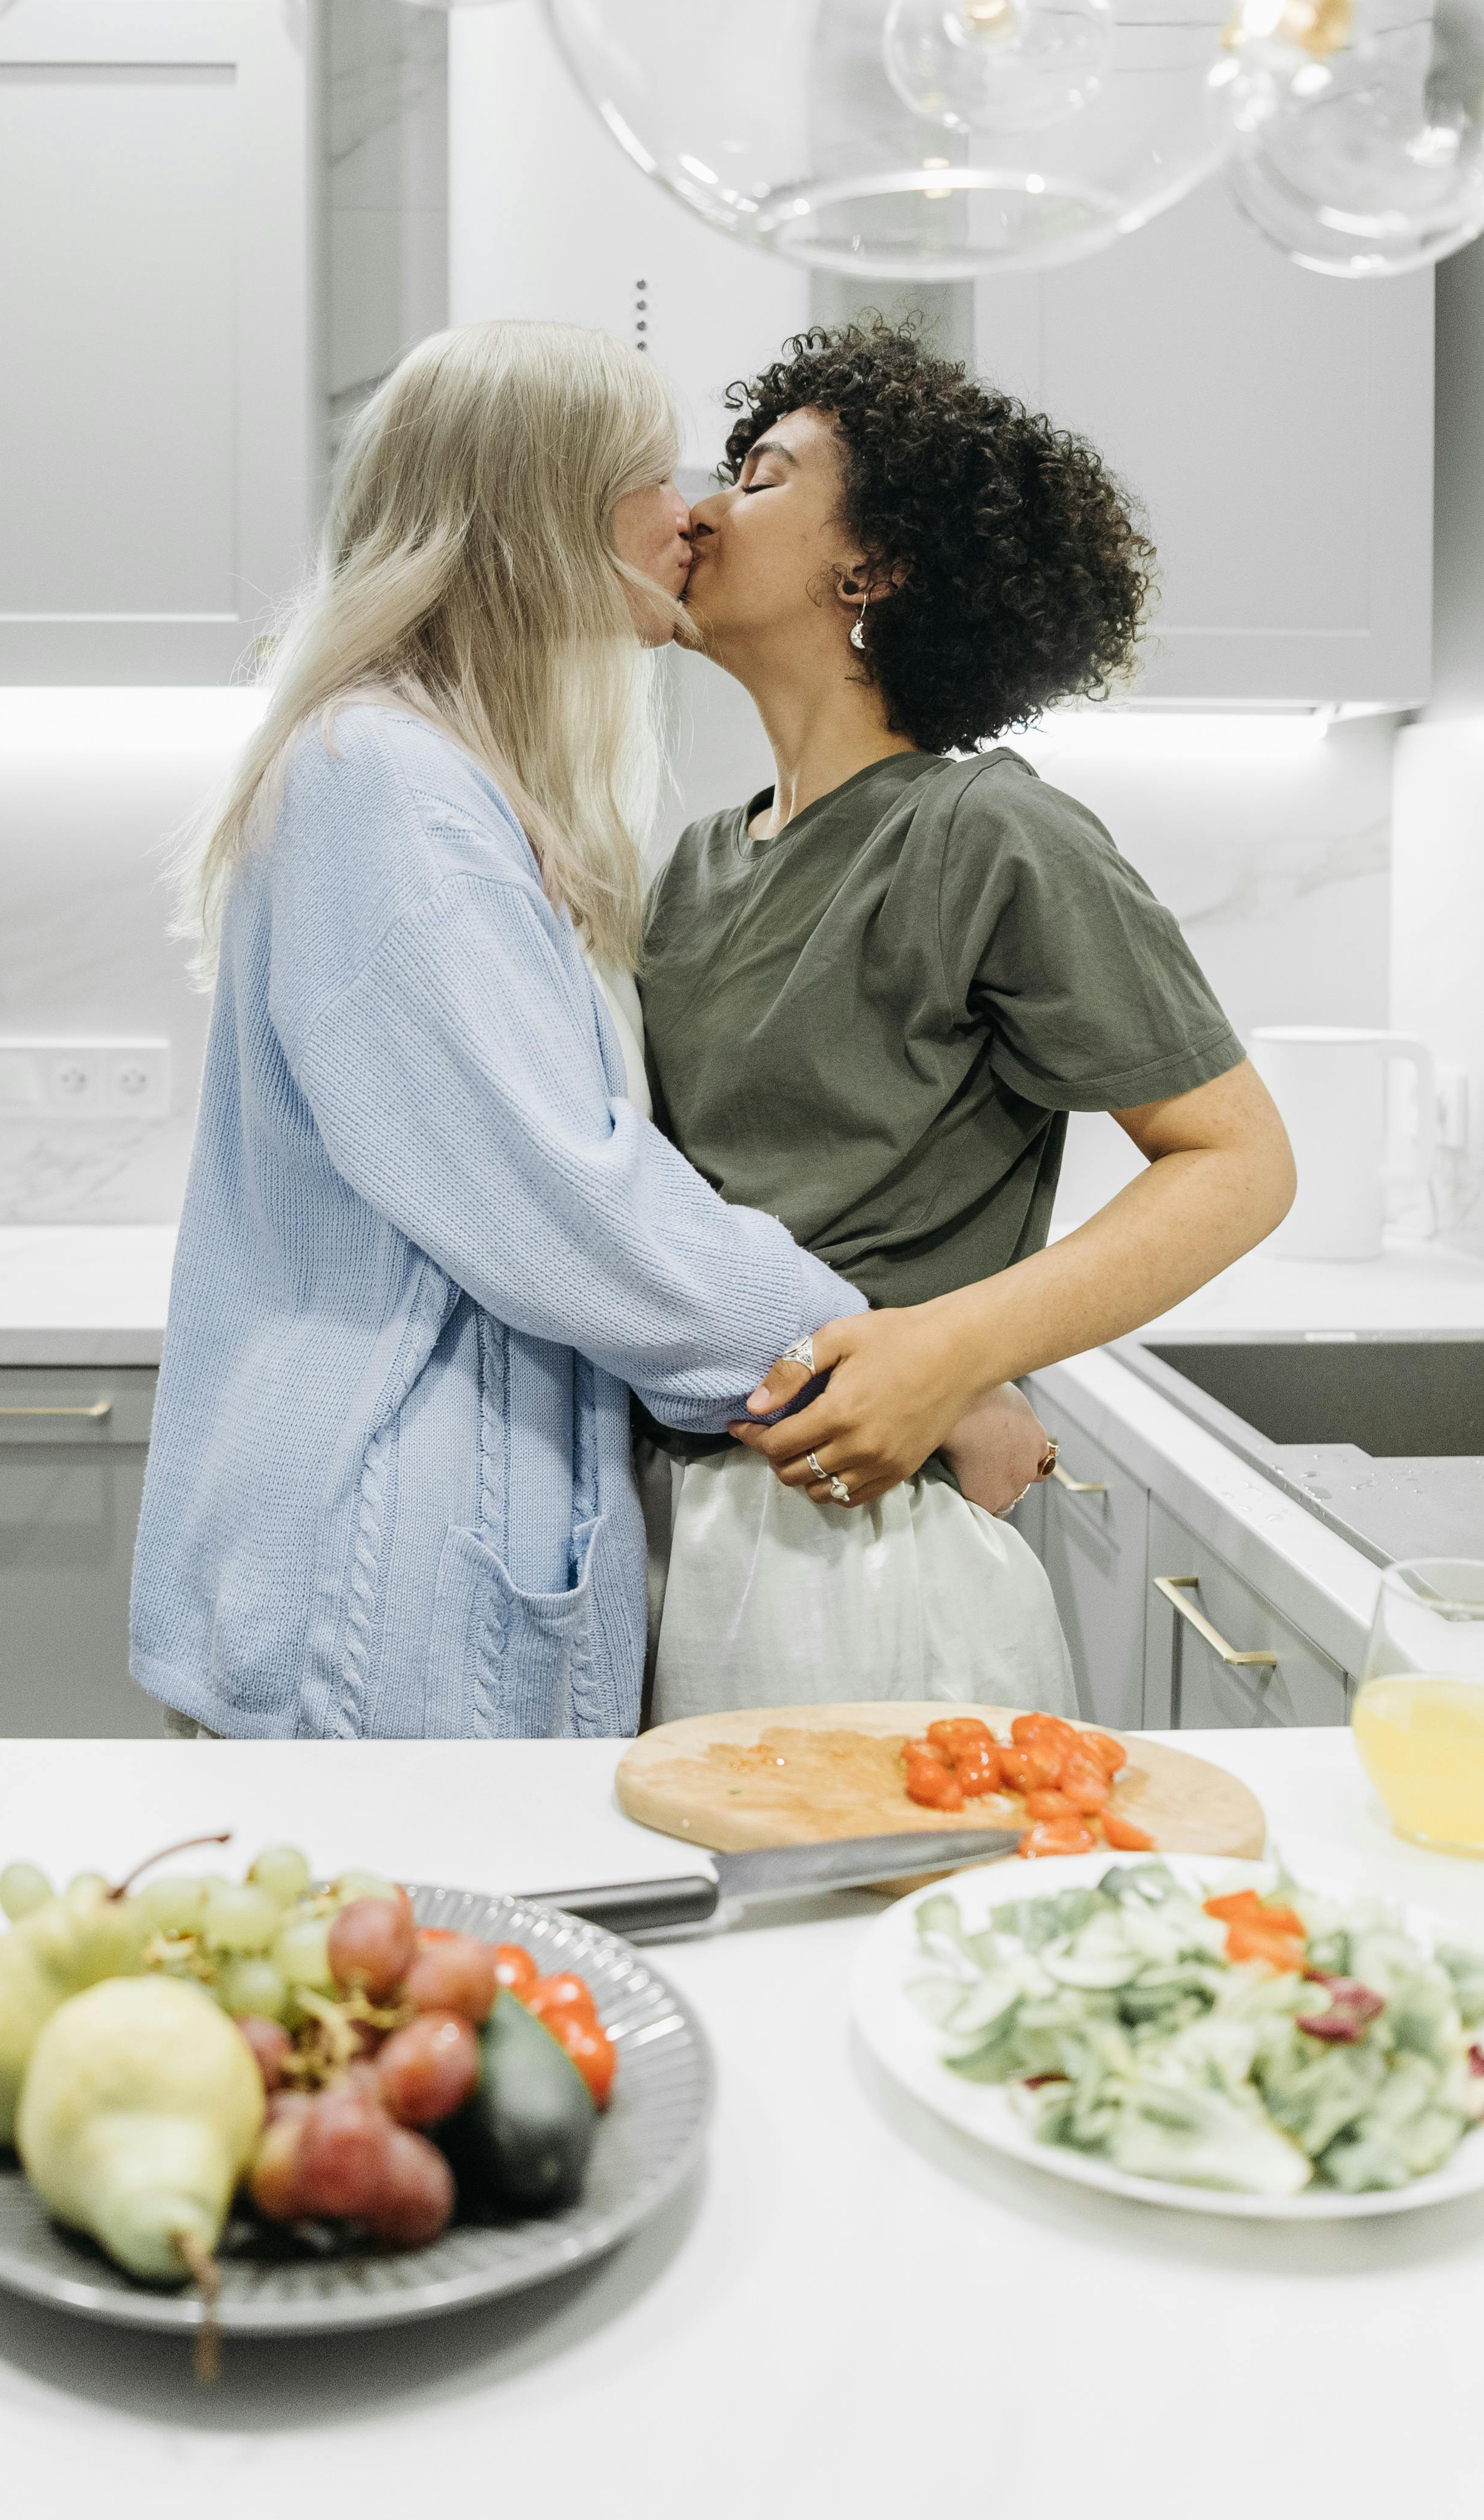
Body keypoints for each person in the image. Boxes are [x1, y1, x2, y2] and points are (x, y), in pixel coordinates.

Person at [129, 319, 1037, 1742]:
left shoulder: (454, 779)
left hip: (438, 1570)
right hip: (388, 1590)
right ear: (540, 513)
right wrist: (881, 1361)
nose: (691, 513)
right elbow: (567, 1195)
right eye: (654, 476)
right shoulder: (385, 783)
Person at [639, 317, 1297, 1719]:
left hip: (858, 1555)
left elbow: (1236, 1163)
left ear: (869, 566)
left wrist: (956, 1353)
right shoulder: (694, 863)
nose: (697, 511)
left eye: (757, 477)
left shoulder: (984, 831)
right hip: (660, 1519)